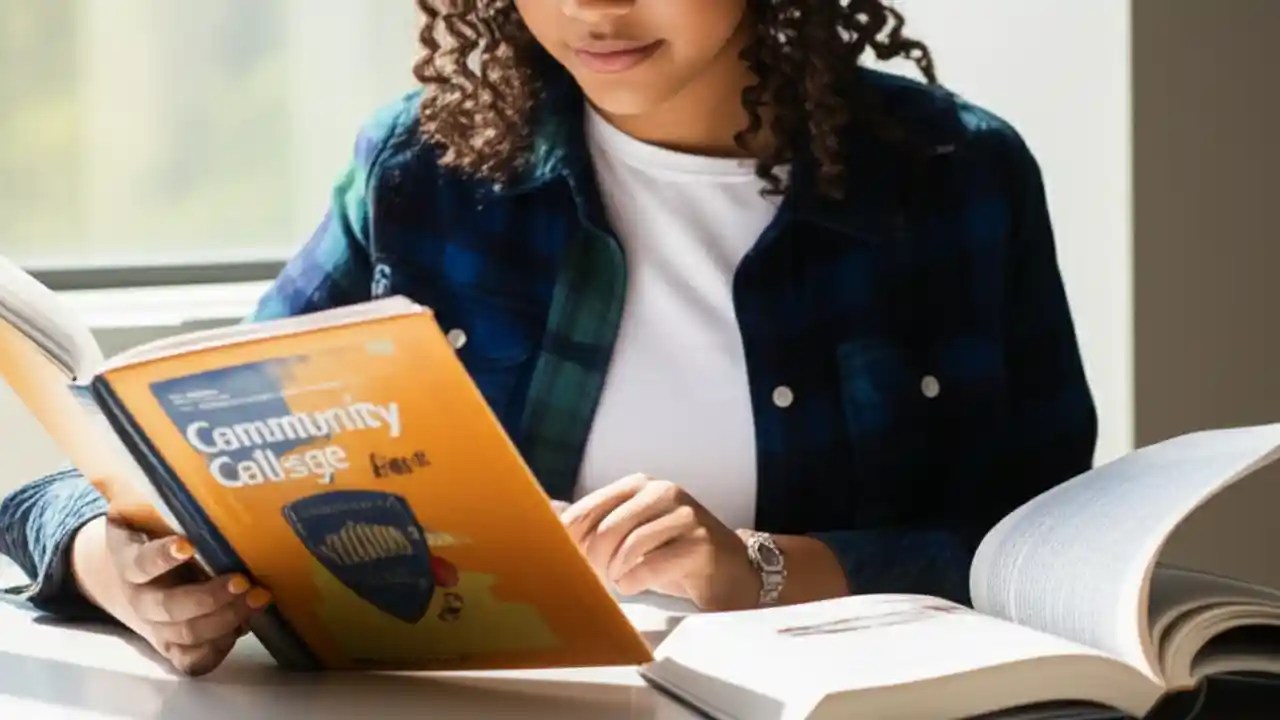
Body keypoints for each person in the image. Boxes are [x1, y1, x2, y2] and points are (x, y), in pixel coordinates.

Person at [0, 0, 1096, 676]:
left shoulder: (953, 179)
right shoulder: (424, 168)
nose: (591, 6)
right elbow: (201, 449)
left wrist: (758, 569)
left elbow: (1040, 549)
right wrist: (109, 565)